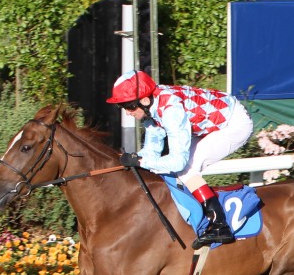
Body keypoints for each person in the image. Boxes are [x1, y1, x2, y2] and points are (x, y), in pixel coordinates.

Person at [107, 70, 253, 247]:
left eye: (129, 106)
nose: (127, 112)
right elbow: (152, 150)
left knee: (186, 168)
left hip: (234, 124)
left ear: (144, 100)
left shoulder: (171, 110)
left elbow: (177, 161)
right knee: (177, 168)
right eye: (122, 107)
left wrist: (140, 162)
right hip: (213, 123)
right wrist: (136, 158)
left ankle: (219, 225)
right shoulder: (152, 106)